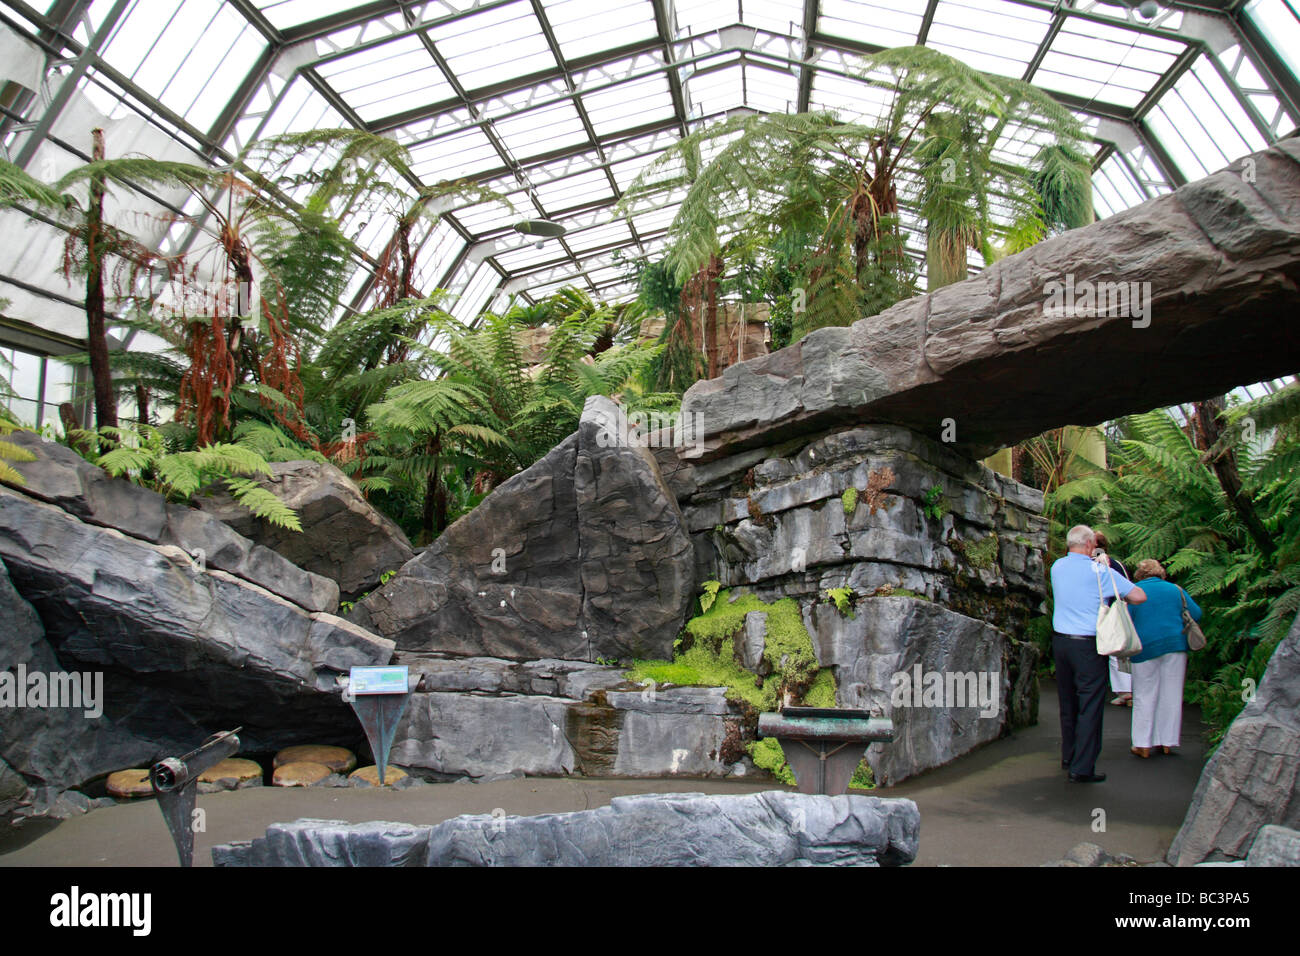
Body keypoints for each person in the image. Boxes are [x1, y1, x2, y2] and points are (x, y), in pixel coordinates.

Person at [1050, 524, 1147, 782]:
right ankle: (1082, 767)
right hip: (1089, 645)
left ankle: (1069, 755)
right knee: (1090, 704)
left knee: (1068, 702)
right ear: (1091, 544)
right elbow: (1138, 596)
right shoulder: (1100, 571)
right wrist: (1106, 567)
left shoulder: (1056, 567)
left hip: (1061, 642)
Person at [1127, 559, 1201, 758]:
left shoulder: (1134, 591)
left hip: (1144, 647)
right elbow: (1196, 612)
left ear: (1139, 575)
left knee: (1144, 694)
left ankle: (1142, 744)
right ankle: (1166, 742)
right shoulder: (1175, 590)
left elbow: (1125, 618)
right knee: (1172, 694)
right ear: (1161, 573)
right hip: (1175, 646)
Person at [1093, 532, 1133, 707]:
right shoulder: (1118, 564)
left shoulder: (1097, 562)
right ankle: (1127, 690)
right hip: (1121, 608)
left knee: (1110, 651)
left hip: (1107, 610)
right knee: (1119, 650)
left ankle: (1124, 691)